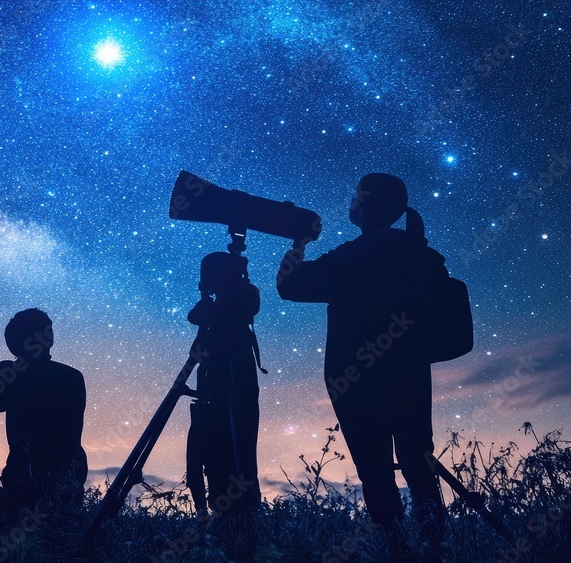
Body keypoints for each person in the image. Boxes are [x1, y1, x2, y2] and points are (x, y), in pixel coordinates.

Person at [276, 173, 449, 554]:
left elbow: (290, 286)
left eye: (355, 196)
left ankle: (398, 550)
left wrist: (299, 244)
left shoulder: (355, 255)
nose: (350, 201)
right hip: (410, 374)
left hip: (356, 379)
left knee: (375, 471)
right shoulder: (420, 252)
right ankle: (438, 548)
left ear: (367, 204)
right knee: (419, 463)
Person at [185, 251, 264, 557]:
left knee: (236, 454)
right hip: (214, 390)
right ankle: (218, 519)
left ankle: (239, 529)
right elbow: (196, 317)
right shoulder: (219, 308)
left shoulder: (240, 301)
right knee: (213, 453)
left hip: (234, 389)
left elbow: (241, 307)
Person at [0, 308, 87, 509]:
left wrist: (5, 370)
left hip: (25, 479)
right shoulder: (72, 377)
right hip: (69, 477)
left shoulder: (13, 375)